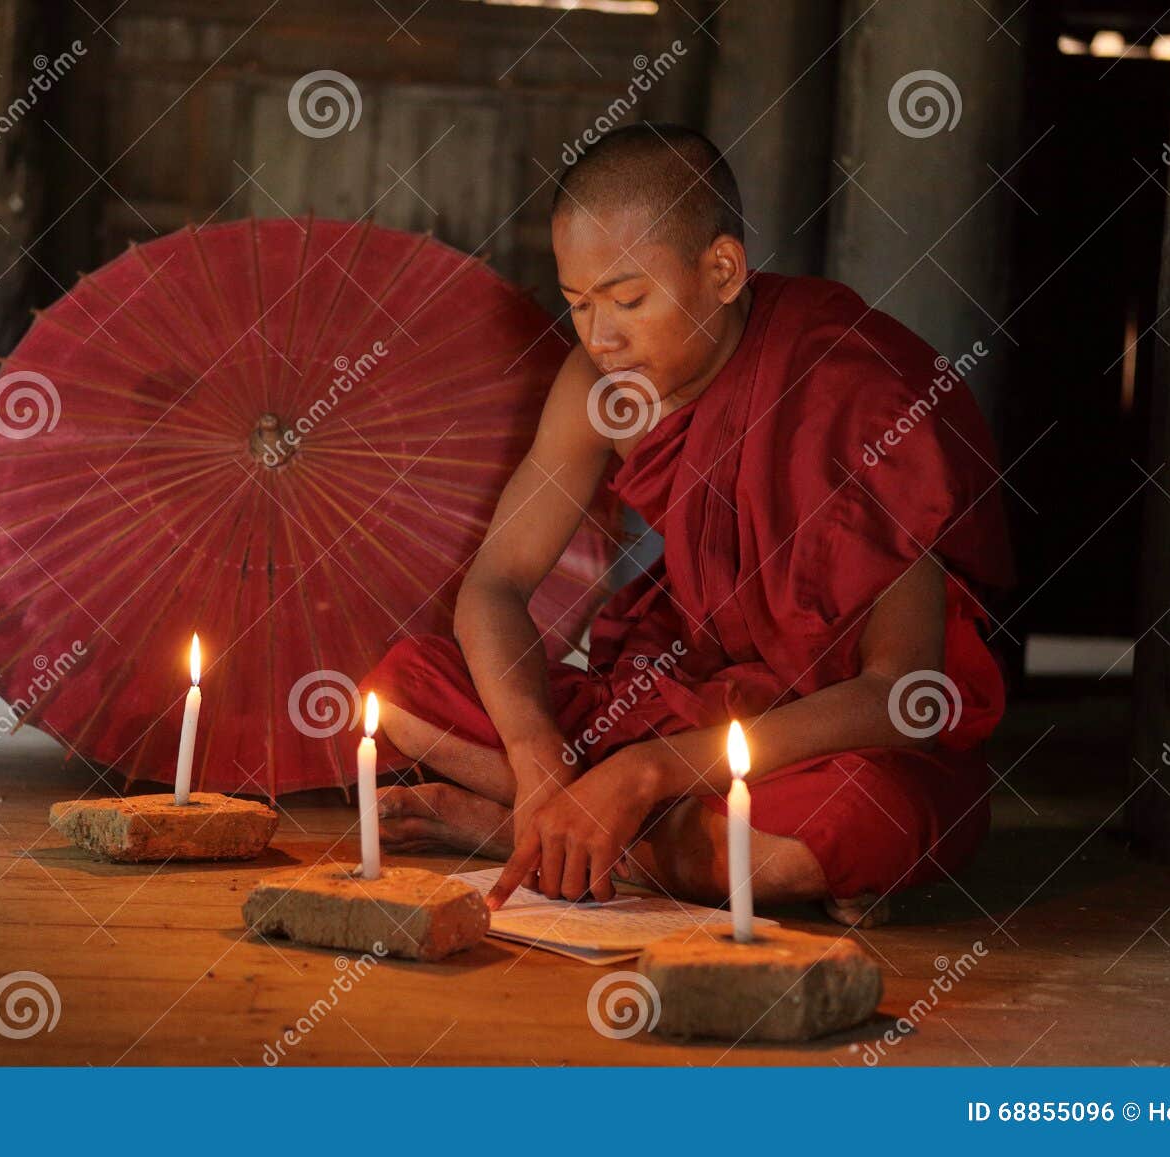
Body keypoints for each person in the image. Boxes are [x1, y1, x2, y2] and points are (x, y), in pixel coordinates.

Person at [359, 123, 1014, 928]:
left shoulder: (854, 390)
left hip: (808, 736)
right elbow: (495, 584)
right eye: (578, 305)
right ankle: (577, 823)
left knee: (855, 818)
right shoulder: (598, 388)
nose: (601, 338)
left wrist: (642, 776)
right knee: (400, 688)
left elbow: (898, 696)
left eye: (629, 301)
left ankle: (534, 831)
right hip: (688, 693)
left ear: (722, 270)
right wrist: (535, 758)